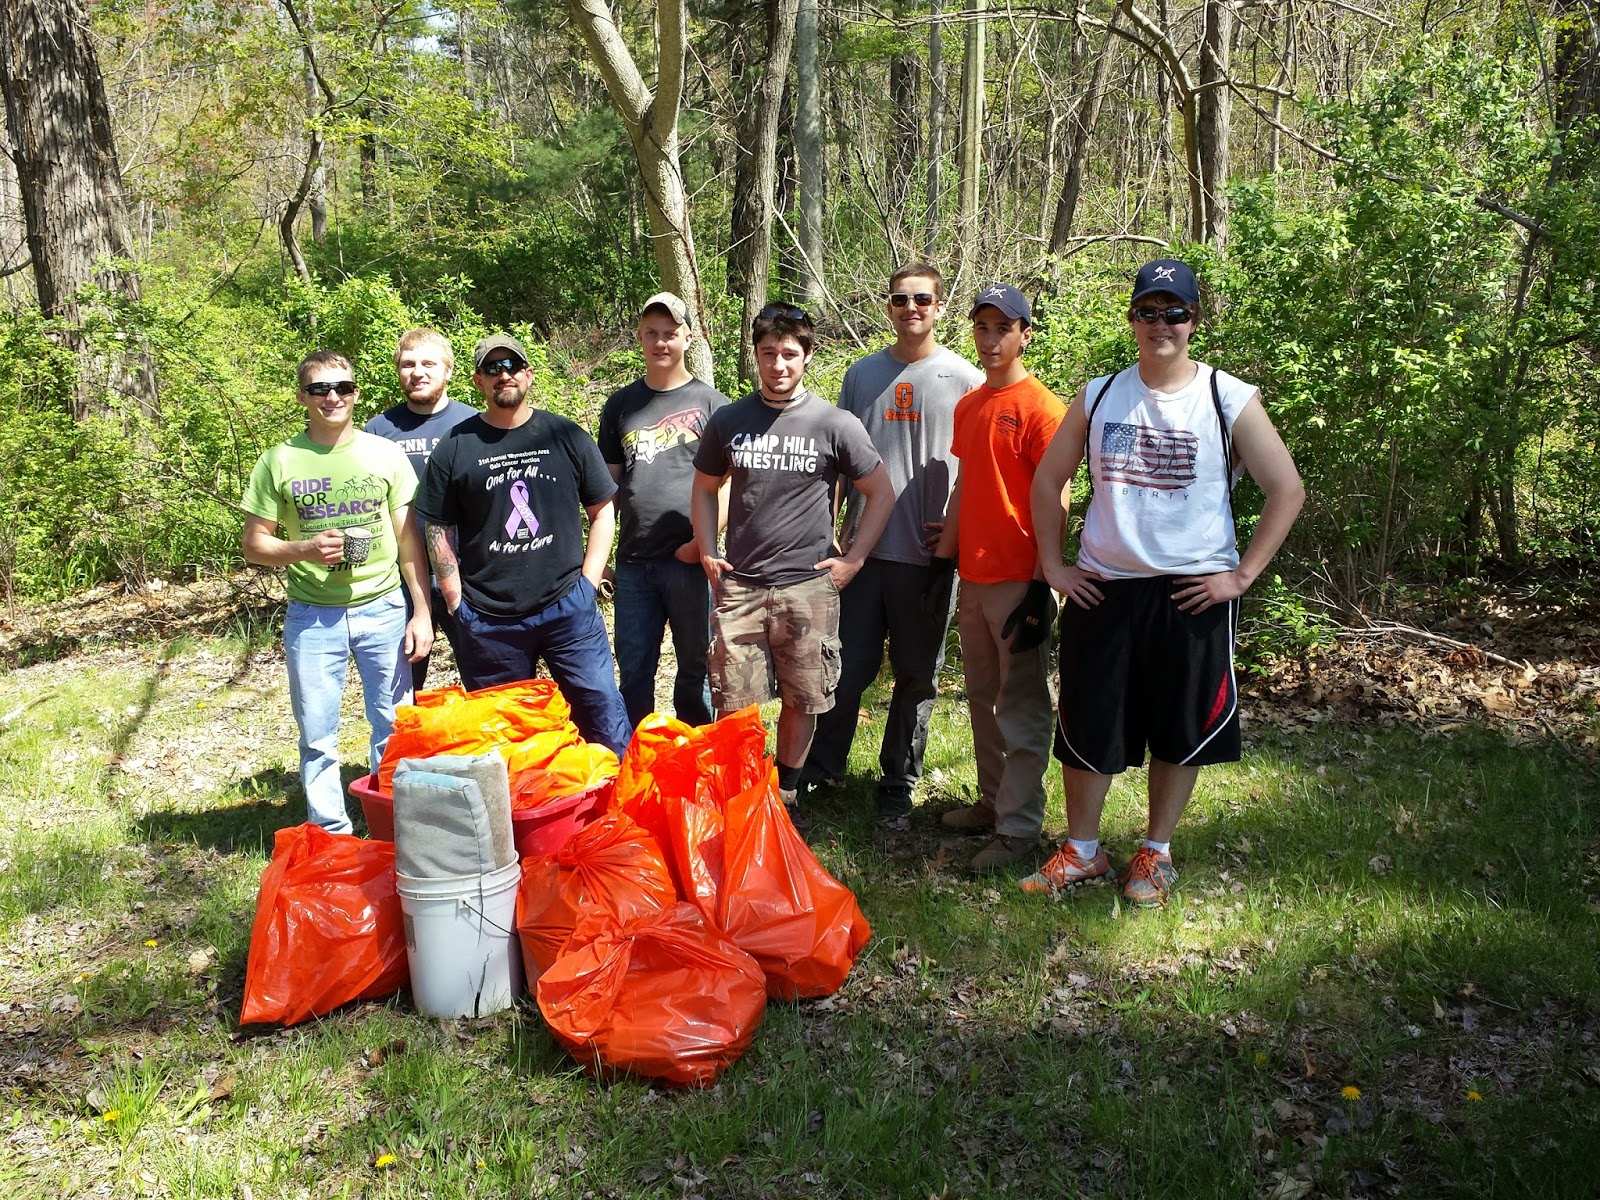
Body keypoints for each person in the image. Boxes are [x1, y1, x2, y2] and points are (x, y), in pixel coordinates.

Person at [1023, 259, 1305, 906]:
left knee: (1180, 726)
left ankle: (1155, 853)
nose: (1161, 324)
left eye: (1174, 312)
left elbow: (1286, 489)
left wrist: (1241, 576)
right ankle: (1083, 851)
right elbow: (1047, 481)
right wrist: (1053, 565)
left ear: (1193, 320)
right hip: (1104, 587)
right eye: (1148, 312)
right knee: (1088, 722)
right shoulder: (1099, 395)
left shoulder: (1227, 397)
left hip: (1192, 593)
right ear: (1132, 320)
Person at [690, 303, 895, 813]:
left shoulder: (834, 423)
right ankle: (739, 796)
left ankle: (786, 794)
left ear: (807, 356)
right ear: (755, 356)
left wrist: (855, 559)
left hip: (807, 585)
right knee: (733, 701)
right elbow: (704, 487)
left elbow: (881, 492)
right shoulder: (730, 420)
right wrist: (708, 550)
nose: (778, 365)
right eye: (768, 354)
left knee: (804, 697)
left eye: (788, 354)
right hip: (741, 585)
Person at [802, 264, 982, 819]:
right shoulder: (862, 375)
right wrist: (829, 530)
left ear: (940, 306)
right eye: (901, 300)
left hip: (928, 557)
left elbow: (978, 469)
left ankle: (898, 781)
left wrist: (959, 528)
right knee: (846, 666)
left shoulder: (966, 379)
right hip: (861, 555)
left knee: (916, 674)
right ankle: (822, 769)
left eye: (922, 299)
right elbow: (837, 461)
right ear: (888, 307)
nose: (911, 309)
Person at [241, 350, 433, 833]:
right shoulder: (278, 460)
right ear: (302, 398)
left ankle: (394, 824)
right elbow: (254, 545)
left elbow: (409, 541)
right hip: (313, 615)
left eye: (343, 387)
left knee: (393, 725)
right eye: (320, 389)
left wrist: (421, 611)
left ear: (356, 393)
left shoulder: (384, 454)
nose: (333, 397)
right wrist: (304, 548)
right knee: (317, 735)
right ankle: (331, 837)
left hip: (383, 607)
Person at [413, 333, 632, 755]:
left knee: (602, 718)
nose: (504, 375)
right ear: (478, 381)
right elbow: (437, 527)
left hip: (567, 610)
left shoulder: (565, 435)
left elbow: (603, 510)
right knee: (507, 740)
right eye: (492, 368)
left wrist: (587, 584)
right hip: (489, 620)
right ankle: (527, 800)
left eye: (512, 365)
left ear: (529, 374)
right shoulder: (455, 447)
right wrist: (455, 600)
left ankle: (613, 794)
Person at [932, 283, 1066, 873]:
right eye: (982, 328)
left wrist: (1042, 583)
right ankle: (993, 804)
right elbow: (968, 486)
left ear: (1024, 335)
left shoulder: (1042, 408)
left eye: (1003, 329)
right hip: (974, 577)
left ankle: (1020, 829)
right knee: (983, 698)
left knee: (1022, 704)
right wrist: (943, 555)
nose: (990, 340)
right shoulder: (970, 405)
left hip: (1018, 578)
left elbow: (1057, 497)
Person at [597, 293, 729, 727]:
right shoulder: (620, 405)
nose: (660, 342)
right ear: (639, 337)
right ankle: (638, 751)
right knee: (635, 670)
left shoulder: (714, 404)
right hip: (635, 561)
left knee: (696, 669)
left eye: (670, 333)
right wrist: (600, 557)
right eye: (651, 333)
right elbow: (608, 489)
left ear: (687, 338)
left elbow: (732, 483)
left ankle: (697, 751)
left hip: (691, 561)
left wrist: (702, 543)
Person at [363, 327, 477, 690]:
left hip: (471, 574)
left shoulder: (475, 424)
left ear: (448, 370)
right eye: (408, 364)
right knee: (401, 691)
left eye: (429, 363)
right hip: (401, 580)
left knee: (486, 682)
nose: (418, 372)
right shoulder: (378, 430)